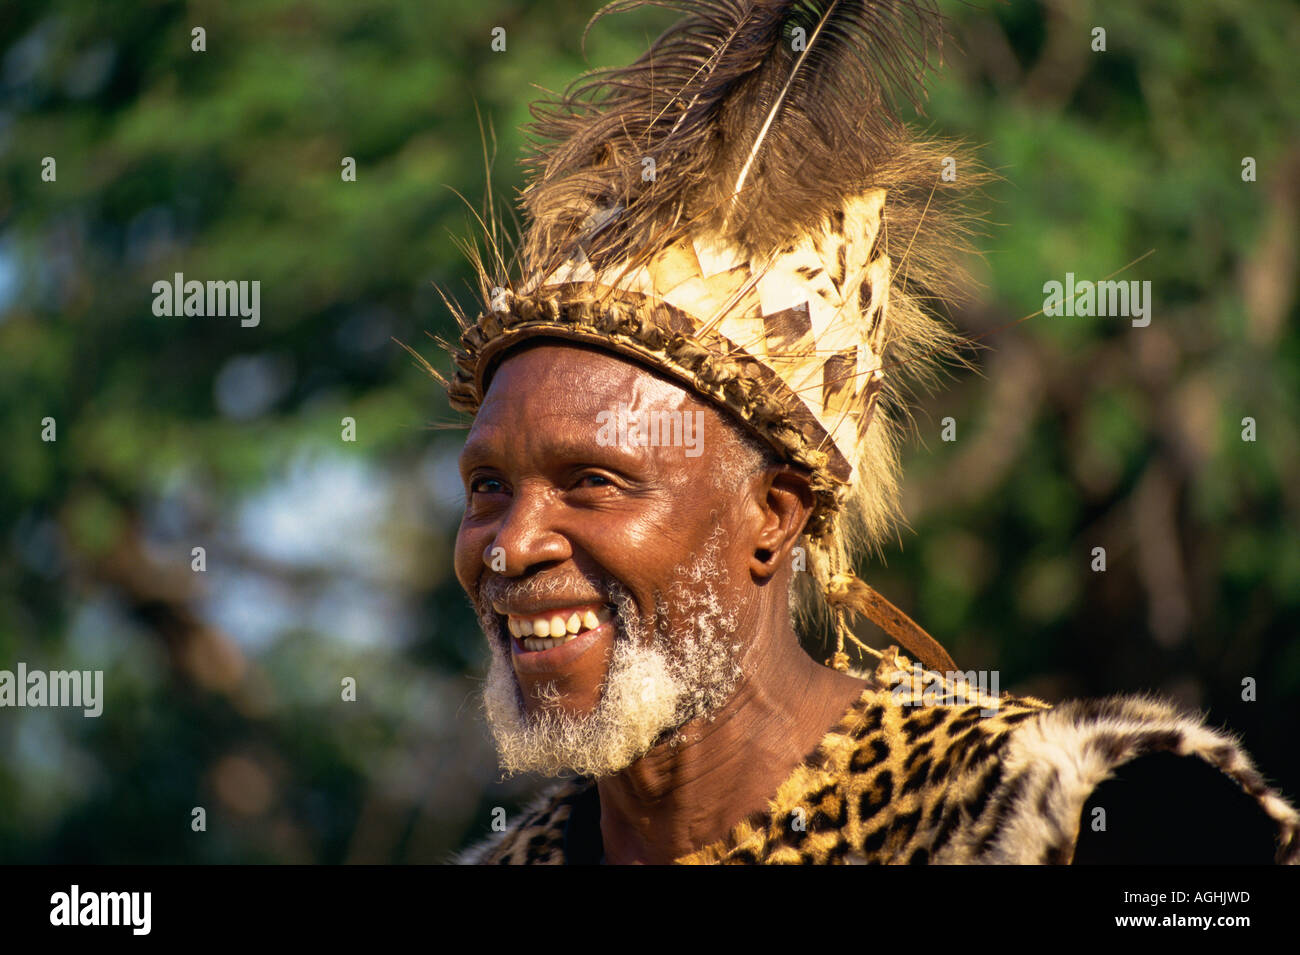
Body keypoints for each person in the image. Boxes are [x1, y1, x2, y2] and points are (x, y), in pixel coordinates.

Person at [436, 0, 1299, 864]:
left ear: (773, 514)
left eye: (593, 480)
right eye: (488, 488)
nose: (511, 545)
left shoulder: (1075, 812)